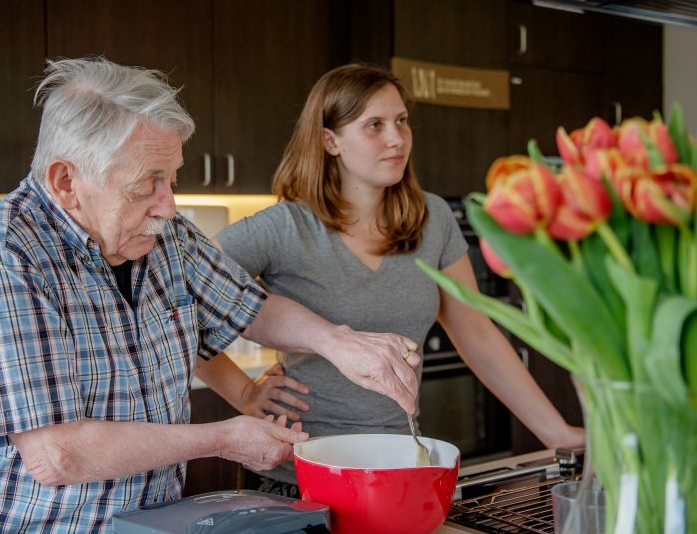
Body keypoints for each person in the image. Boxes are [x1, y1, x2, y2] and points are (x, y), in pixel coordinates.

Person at [0, 57, 423, 534]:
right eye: (148, 183)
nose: (169, 205)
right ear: (67, 180)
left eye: (173, 178)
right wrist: (223, 437)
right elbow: (58, 454)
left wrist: (338, 342)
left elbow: (250, 307)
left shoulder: (162, 236)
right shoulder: (1, 255)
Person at [210, 63, 585, 496]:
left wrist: (557, 433)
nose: (397, 138)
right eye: (374, 125)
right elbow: (179, 300)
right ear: (331, 140)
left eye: (401, 121)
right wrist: (242, 393)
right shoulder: (285, 228)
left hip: (401, 466)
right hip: (300, 477)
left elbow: (478, 336)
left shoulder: (433, 219)